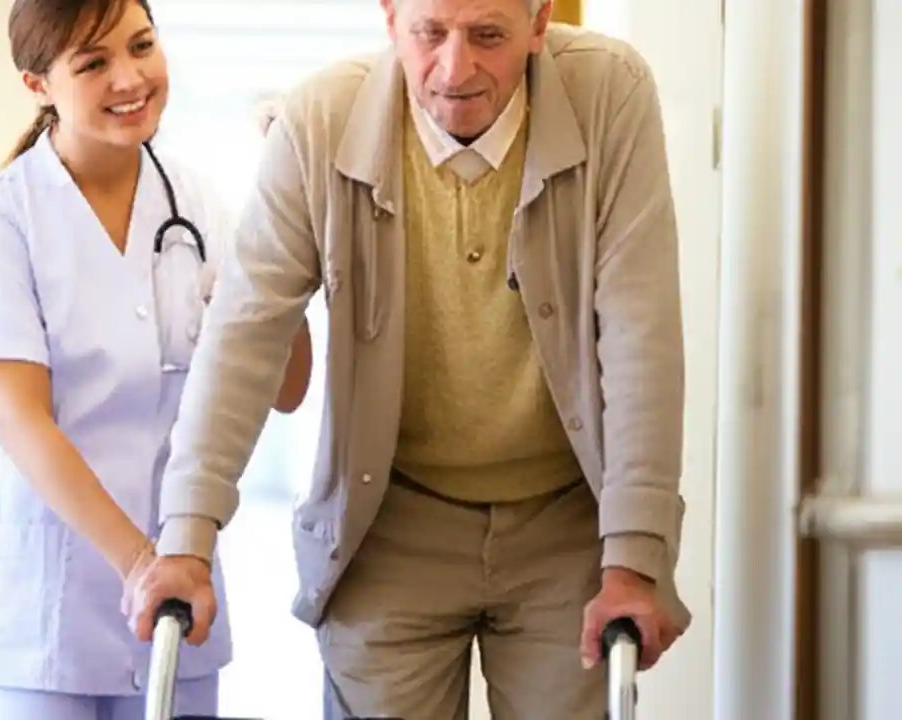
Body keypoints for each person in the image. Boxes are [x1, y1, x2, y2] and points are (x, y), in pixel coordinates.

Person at [129, 0, 691, 717]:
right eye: (430, 33)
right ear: (391, 17)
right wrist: (185, 538)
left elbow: (642, 328)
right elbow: (246, 332)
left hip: (565, 522)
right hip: (391, 518)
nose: (455, 69)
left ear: (540, 21)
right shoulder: (317, 122)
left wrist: (635, 555)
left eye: (488, 34)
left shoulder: (609, 93)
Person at [0, 0, 313, 717]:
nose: (130, 77)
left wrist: (277, 250)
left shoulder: (199, 203)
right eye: (93, 62)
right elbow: (24, 425)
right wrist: (142, 564)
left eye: (141, 46)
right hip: (34, 619)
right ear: (38, 84)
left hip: (174, 610)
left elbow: (286, 389)